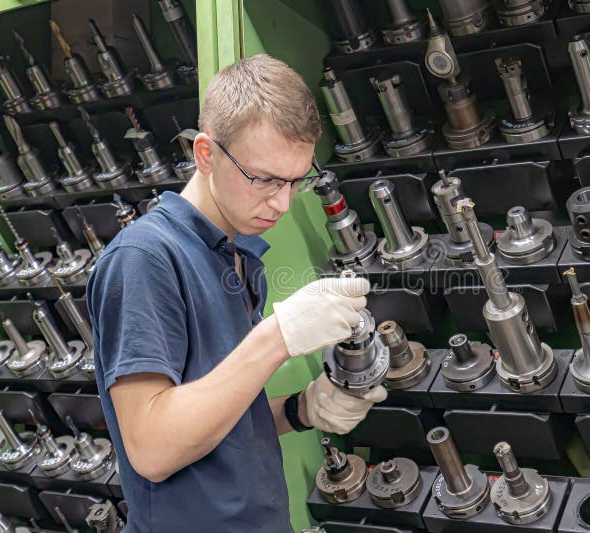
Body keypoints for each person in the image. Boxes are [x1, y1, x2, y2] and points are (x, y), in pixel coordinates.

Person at [87, 54, 387, 532]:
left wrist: (301, 409)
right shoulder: (145, 258)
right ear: (205, 154)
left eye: (295, 181)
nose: (282, 203)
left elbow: (219, 414)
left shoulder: (237, 256)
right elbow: (153, 449)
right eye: (265, 179)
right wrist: (277, 337)